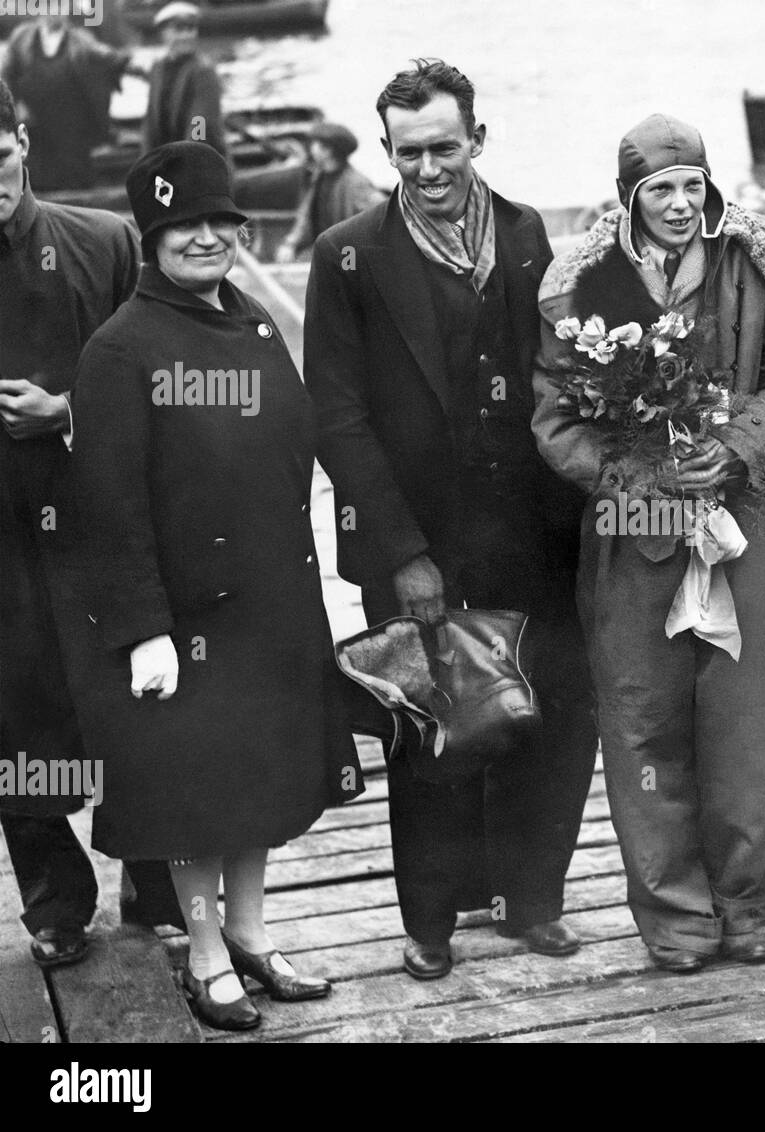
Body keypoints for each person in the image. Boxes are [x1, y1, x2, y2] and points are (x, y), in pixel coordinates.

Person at [304, 59, 598, 981]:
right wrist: (403, 554)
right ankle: (429, 921)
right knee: (433, 729)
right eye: (408, 155)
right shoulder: (346, 253)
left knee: (548, 718)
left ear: (478, 137)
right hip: (421, 542)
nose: (428, 171)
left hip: (533, 533)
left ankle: (532, 900)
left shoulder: (524, 232)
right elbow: (337, 418)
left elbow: (554, 376)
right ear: (386, 151)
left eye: (444, 148)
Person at [60, 141, 361, 1031]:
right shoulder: (121, 349)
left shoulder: (256, 321)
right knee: (195, 792)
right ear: (150, 240)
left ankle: (251, 936)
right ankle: (202, 954)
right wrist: (145, 629)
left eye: (219, 222)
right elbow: (106, 507)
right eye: (181, 226)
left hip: (269, 599)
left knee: (259, 780)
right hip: (184, 618)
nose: (204, 239)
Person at [533, 113, 765, 972]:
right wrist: (639, 479)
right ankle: (676, 917)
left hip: (746, 524)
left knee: (750, 723)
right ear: (630, 198)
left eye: (693, 184)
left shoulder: (761, 267)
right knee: (643, 724)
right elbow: (554, 419)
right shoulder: (581, 285)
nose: (681, 203)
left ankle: (750, 906)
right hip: (633, 533)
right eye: (661, 188)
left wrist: (733, 448)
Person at [0, 77, 180, 975]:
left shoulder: (103, 241)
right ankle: (56, 899)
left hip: (96, 519)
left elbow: (155, 377)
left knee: (131, 696)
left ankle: (153, 881)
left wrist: (63, 409)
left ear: (23, 139)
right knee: (11, 715)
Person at [0, 11, 137, 191]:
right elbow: (8, 73)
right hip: (36, 119)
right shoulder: (23, 37)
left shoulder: (79, 39)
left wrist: (126, 62)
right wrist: (15, 106)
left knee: (73, 170)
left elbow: (104, 57)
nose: (53, 13)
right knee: (37, 170)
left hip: (71, 120)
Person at [275, 122, 384, 264]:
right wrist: (290, 244)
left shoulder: (356, 183)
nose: (312, 149)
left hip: (349, 253)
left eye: (316, 145)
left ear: (328, 150)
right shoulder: (319, 178)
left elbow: (382, 218)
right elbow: (305, 218)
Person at [141, 2, 226, 159]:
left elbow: (201, 122)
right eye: (179, 30)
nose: (186, 36)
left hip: (201, 163)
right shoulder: (158, 68)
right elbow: (151, 121)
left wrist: (186, 158)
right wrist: (147, 161)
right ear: (163, 34)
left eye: (190, 29)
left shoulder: (203, 70)